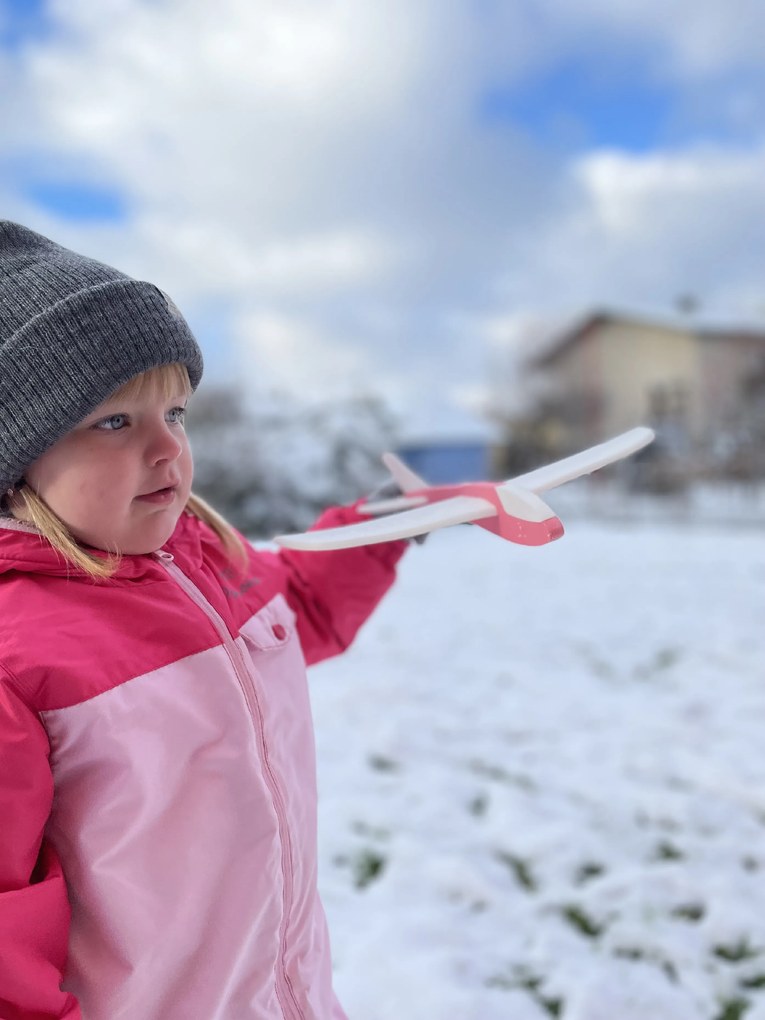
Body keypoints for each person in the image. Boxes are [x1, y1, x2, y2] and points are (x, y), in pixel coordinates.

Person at [0, 221, 407, 1020]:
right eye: (115, 421)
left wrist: (378, 528)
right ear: (18, 458)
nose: (167, 451)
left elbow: (301, 602)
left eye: (177, 414)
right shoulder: (18, 650)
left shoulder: (205, 563)